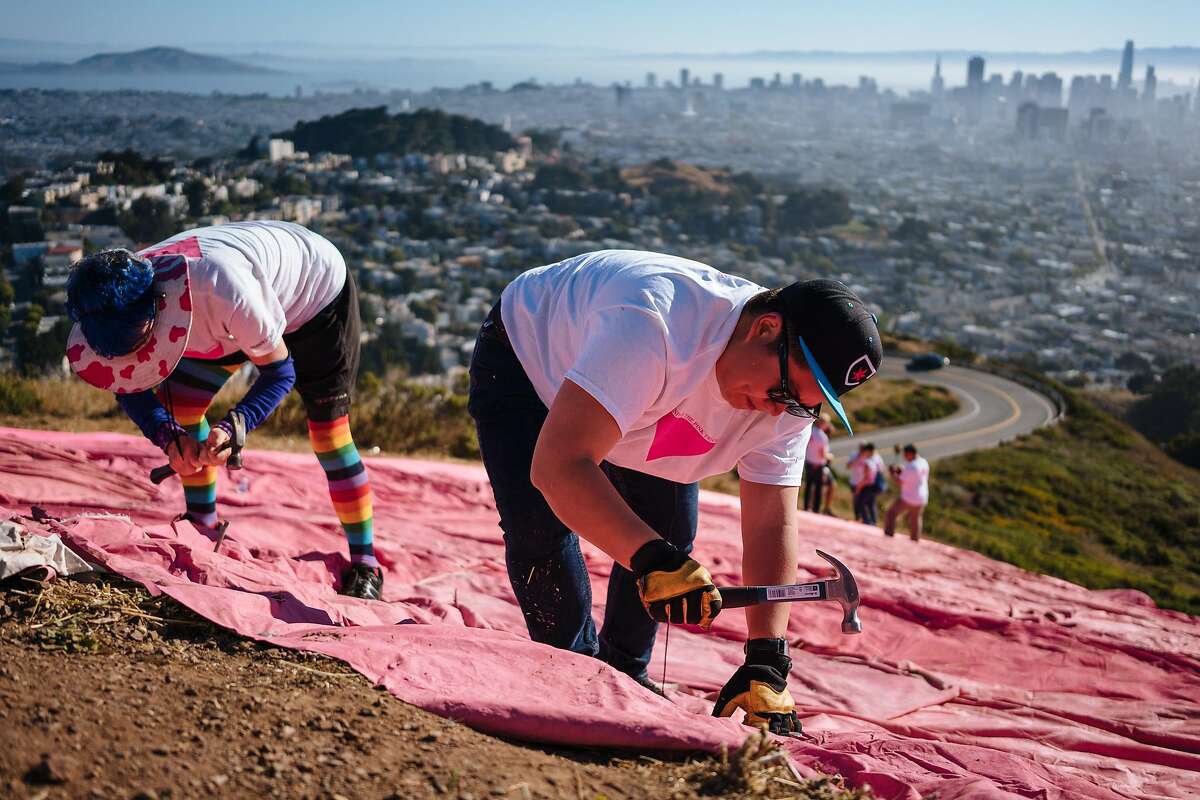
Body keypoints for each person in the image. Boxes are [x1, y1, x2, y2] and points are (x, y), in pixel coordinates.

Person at [467, 250, 882, 733]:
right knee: (541, 523)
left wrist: (767, 657)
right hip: (531, 358)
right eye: (782, 392)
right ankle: (573, 674)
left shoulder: (788, 405)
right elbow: (561, 467)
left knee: (670, 535)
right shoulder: (652, 325)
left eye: (800, 406)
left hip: (646, 402)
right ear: (764, 329)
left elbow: (772, 522)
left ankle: (623, 669)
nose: (777, 413)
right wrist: (647, 559)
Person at [63, 221, 384, 599]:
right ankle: (203, 526)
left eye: (140, 339)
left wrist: (234, 427)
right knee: (183, 408)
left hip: (314, 297)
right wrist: (168, 437)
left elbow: (280, 372)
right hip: (230, 311)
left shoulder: (220, 287)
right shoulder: (106, 309)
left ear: (155, 307)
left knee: (329, 435)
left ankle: (366, 564)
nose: (135, 351)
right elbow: (124, 379)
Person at [885, 443, 930, 541]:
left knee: (891, 513)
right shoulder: (923, 462)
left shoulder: (912, 467)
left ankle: (888, 537)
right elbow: (913, 477)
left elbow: (899, 481)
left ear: (910, 453)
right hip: (922, 497)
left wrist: (892, 473)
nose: (904, 457)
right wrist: (901, 471)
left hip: (910, 497)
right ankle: (915, 540)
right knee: (915, 519)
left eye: (905, 455)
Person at [802, 416, 832, 513]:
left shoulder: (809, 430)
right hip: (818, 464)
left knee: (809, 485)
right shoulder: (822, 436)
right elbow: (822, 454)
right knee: (818, 487)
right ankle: (816, 509)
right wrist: (830, 457)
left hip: (809, 461)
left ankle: (806, 506)